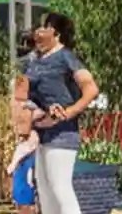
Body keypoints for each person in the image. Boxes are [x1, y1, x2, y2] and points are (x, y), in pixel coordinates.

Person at [24, 12, 100, 214]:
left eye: (42, 29)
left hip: (62, 135)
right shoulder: (34, 61)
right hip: (41, 135)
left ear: (55, 33)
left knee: (61, 189)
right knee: (45, 192)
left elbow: (91, 89)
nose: (37, 33)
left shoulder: (66, 57)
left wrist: (68, 112)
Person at [7, 73, 44, 214]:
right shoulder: (23, 105)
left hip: (31, 154)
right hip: (24, 154)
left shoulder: (34, 106)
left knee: (29, 196)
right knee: (22, 196)